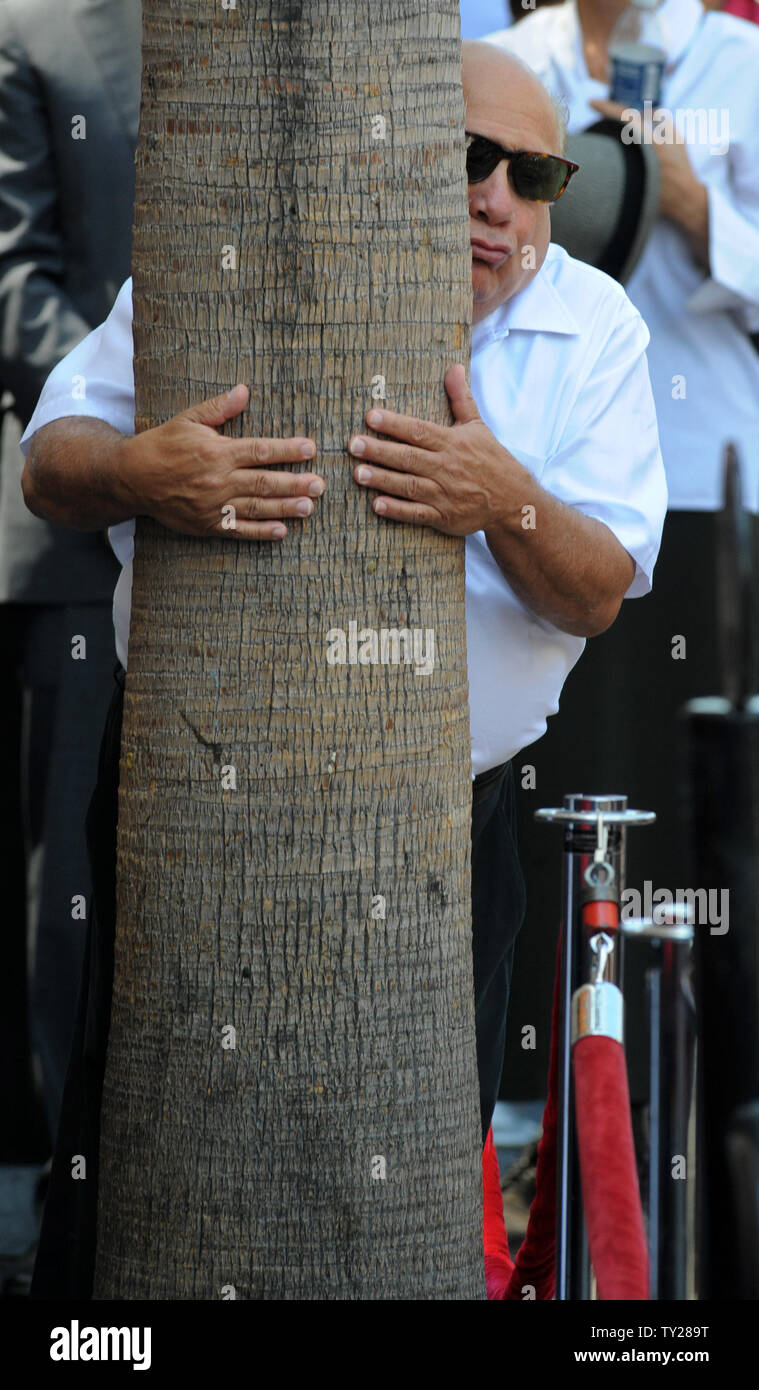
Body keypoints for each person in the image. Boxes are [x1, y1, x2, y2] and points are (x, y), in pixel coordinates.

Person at [20, 42, 666, 1296]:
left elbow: (600, 589)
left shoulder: (594, 325)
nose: (497, 199)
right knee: (129, 1143)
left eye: (532, 174)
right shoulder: (236, 263)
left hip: (449, 822)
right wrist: (143, 472)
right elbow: (52, 461)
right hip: (193, 797)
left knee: (428, 1147)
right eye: (466, 157)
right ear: (390, 152)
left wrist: (506, 502)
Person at [486, 0, 759, 1105]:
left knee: (692, 806)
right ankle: (532, 1104)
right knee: (553, 785)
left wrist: (696, 205)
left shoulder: (742, 64)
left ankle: (700, 1097)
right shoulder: (510, 63)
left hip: (704, 481)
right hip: (535, 489)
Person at [0, 1, 141, 1180]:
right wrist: (131, 449)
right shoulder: (29, 30)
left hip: (269, 518)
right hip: (77, 540)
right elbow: (15, 286)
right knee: (74, 890)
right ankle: (62, 1190)